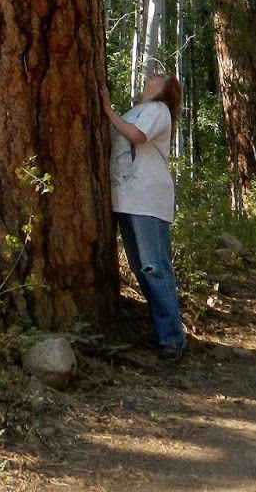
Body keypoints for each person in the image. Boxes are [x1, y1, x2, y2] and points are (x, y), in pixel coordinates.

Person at [101, 73, 186, 360]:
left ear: (166, 91)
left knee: (155, 266)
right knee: (141, 268)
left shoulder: (159, 110)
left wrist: (107, 110)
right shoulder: (136, 110)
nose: (154, 75)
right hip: (126, 198)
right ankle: (162, 332)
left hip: (148, 198)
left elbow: (137, 136)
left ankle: (172, 337)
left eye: (162, 77)